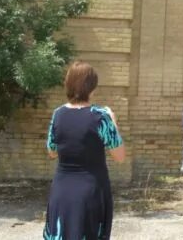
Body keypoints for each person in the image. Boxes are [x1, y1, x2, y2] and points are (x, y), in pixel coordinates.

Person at [44, 61, 125, 240]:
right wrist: (113, 121)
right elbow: (119, 156)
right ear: (92, 86)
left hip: (61, 192)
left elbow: (52, 151)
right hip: (91, 193)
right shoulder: (100, 116)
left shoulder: (58, 114)